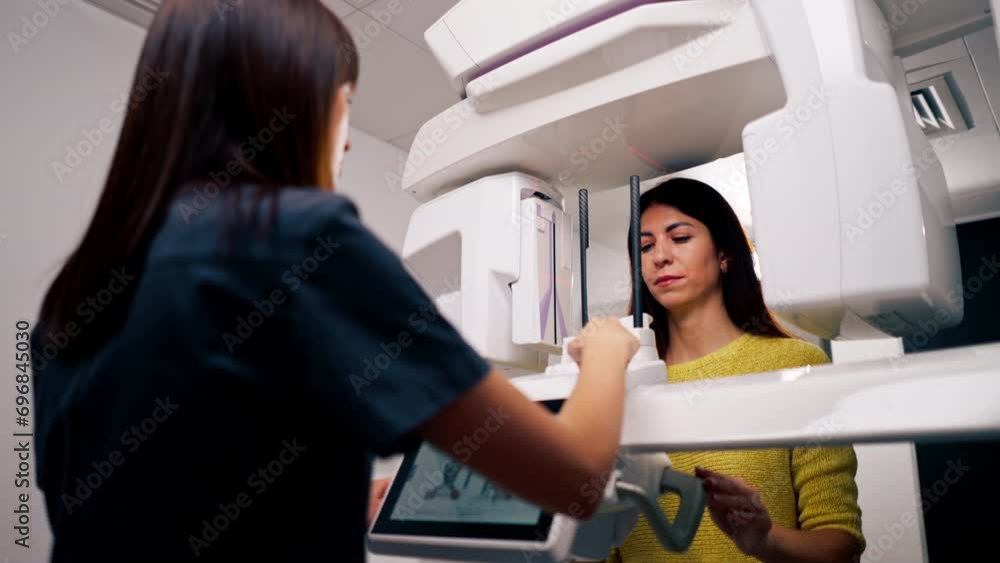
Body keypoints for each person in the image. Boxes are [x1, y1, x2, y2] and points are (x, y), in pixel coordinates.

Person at [30, 2, 640, 562]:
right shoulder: (296, 238)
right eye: (343, 104)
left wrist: (326, 494)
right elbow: (578, 480)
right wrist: (607, 355)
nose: (346, 137)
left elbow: (150, 499)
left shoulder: (77, 296)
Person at [605, 178, 865, 563]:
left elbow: (840, 545)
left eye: (679, 238)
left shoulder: (794, 364)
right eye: (645, 247)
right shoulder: (616, 382)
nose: (659, 256)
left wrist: (766, 540)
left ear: (725, 254)